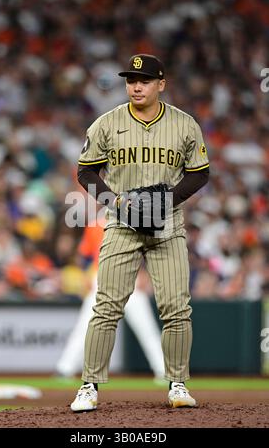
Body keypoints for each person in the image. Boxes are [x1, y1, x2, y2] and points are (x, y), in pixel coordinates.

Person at [71, 54, 209, 412]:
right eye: (131, 79)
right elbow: (85, 172)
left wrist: (166, 201)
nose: (136, 85)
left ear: (161, 84)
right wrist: (114, 201)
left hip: (168, 227)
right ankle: (89, 386)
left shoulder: (183, 124)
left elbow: (199, 173)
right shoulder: (106, 123)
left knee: (177, 308)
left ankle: (178, 383)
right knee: (106, 307)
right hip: (122, 224)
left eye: (144, 80)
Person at [56, 217, 165, 381]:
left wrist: (145, 272)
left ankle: (163, 370)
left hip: (131, 277)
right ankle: (65, 368)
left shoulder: (136, 219)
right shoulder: (96, 223)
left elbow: (149, 249)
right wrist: (86, 275)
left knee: (146, 328)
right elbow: (85, 255)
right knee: (85, 326)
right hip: (101, 279)